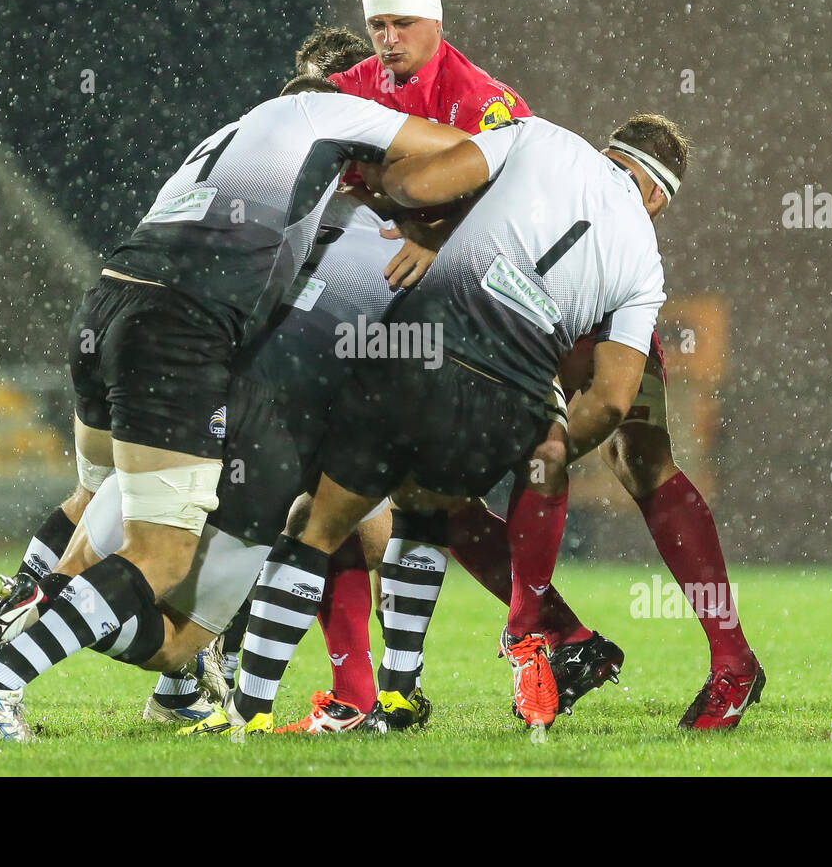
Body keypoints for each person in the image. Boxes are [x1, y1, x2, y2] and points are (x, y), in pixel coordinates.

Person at [0, 86, 467, 741]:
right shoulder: (383, 219)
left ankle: (20, 665)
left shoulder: (235, 150)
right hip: (206, 363)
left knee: (89, 519)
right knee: (167, 588)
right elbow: (458, 153)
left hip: (114, 306)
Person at [185, 111, 673, 736]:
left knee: (319, 525)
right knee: (423, 511)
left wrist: (398, 199)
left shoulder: (541, 137)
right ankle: (397, 697)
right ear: (657, 196)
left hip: (420, 352)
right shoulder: (646, 263)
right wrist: (550, 445)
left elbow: (423, 185)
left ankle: (245, 714)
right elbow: (609, 401)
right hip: (511, 402)